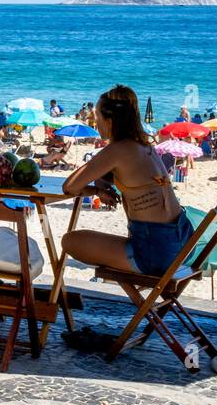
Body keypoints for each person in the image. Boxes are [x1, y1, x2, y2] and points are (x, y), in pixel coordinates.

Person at [62, 85, 194, 277]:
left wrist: (97, 192)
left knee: (70, 241)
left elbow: (70, 186)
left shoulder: (117, 150)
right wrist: (101, 179)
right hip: (184, 242)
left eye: (97, 117)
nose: (95, 123)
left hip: (156, 252)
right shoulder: (145, 145)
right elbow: (131, 175)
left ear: (110, 121)